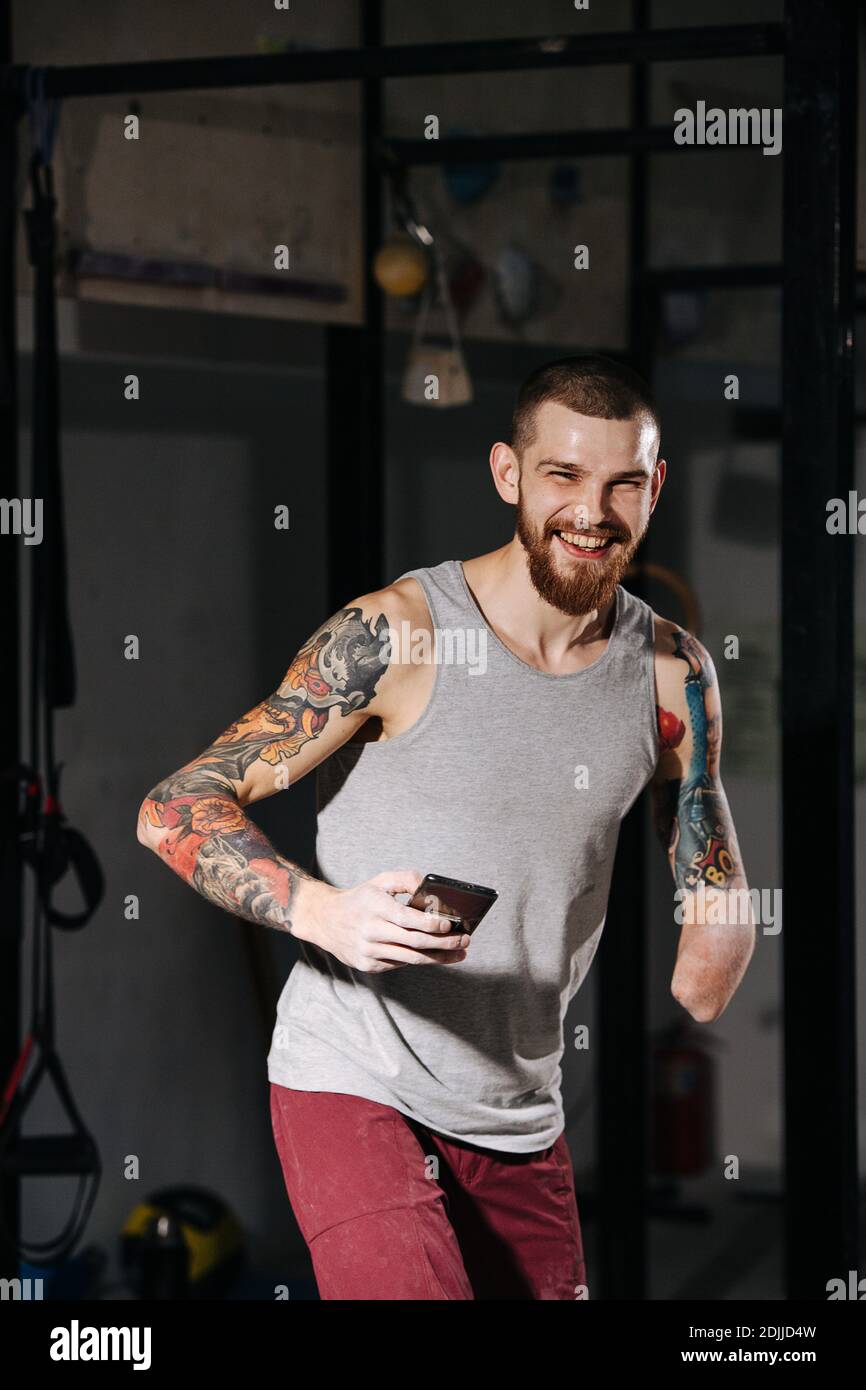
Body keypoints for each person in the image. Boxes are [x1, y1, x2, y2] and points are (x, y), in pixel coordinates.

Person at [136, 354, 755, 1300]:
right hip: (355, 1074)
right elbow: (174, 806)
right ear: (508, 474)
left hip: (514, 1107)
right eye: (563, 476)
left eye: (622, 482)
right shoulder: (396, 635)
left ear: (654, 487)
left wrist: (718, 910)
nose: (592, 511)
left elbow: (699, 819)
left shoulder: (671, 673)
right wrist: (319, 911)